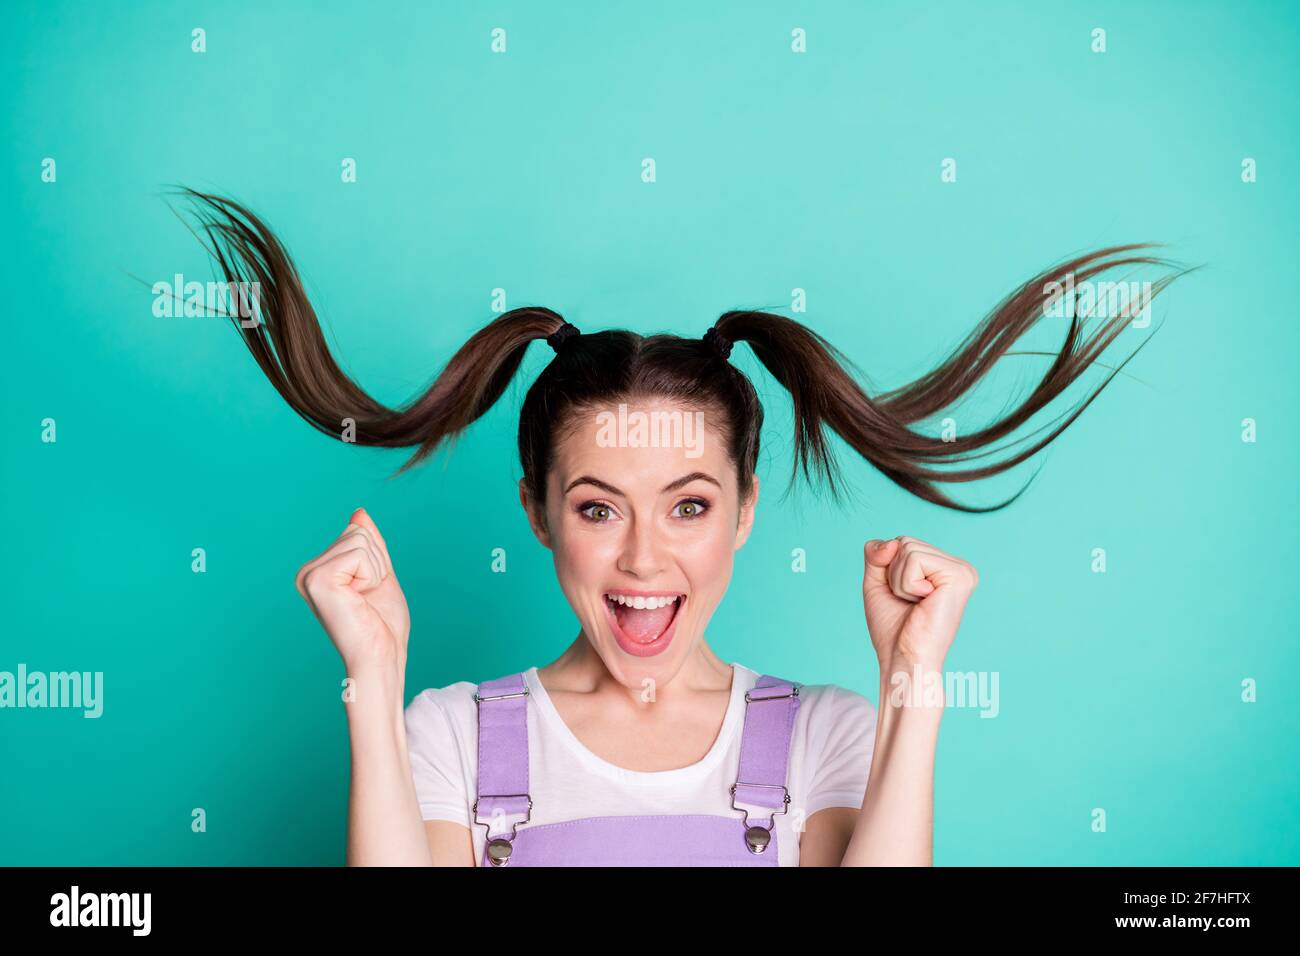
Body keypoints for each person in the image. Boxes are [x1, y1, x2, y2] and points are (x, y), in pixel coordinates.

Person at [178, 189, 1188, 865]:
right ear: (535, 511)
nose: (643, 558)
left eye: (689, 504)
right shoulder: (442, 733)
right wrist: (370, 671)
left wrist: (914, 683)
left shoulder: (827, 736)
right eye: (595, 506)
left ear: (747, 507)